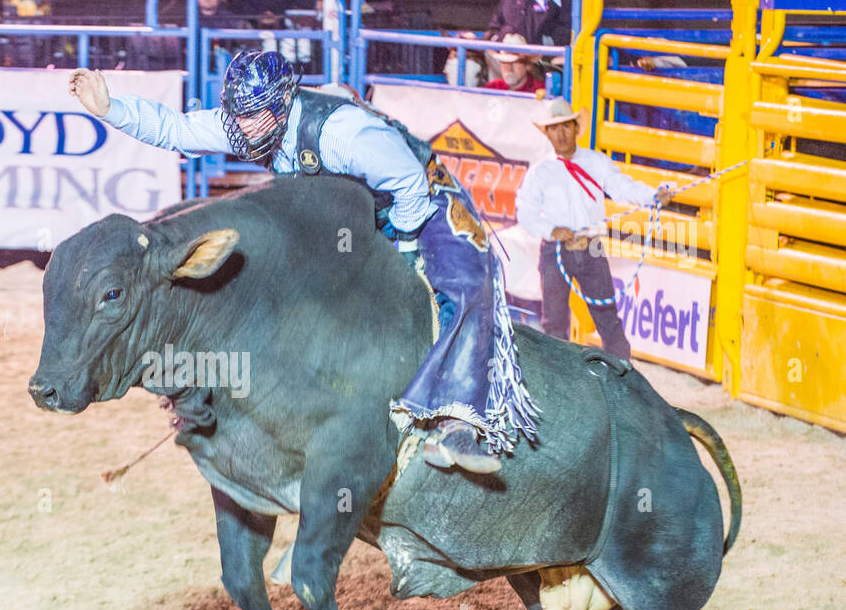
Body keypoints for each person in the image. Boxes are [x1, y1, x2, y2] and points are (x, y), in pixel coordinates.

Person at [67, 51, 540, 473]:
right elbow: (178, 128)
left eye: (250, 117)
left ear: (278, 107)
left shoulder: (344, 133)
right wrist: (111, 108)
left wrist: (409, 251)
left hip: (421, 203)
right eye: (235, 116)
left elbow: (409, 183)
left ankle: (460, 420)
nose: (239, 128)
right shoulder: (249, 121)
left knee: (463, 283)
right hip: (349, 216)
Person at [516, 99, 674, 361]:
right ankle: (558, 381)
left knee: (608, 318)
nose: (561, 134)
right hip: (555, 252)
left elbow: (623, 186)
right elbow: (525, 211)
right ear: (547, 133)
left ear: (576, 128)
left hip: (592, 248)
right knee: (554, 323)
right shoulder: (540, 171)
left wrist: (653, 195)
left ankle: (624, 376)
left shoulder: (596, 162)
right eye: (554, 129)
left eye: (566, 126)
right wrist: (552, 229)